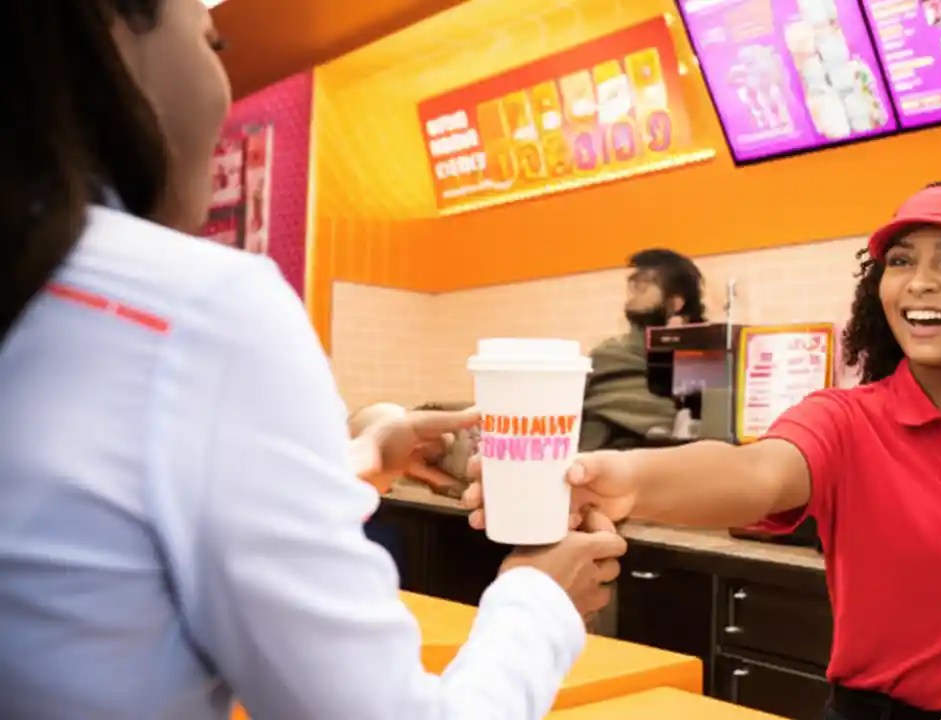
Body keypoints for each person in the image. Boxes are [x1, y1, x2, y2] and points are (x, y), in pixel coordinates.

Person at [0, 3, 624, 719]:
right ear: (110, 29)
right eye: (213, 43)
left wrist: (358, 460)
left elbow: (103, 535)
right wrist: (540, 597)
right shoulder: (202, 310)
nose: (225, 85)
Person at [469, 183, 941, 720]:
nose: (920, 281)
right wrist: (617, 477)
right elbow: (755, 472)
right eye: (900, 261)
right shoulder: (845, 421)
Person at [580, 248, 707, 451]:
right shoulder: (608, 353)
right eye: (632, 284)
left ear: (675, 303)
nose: (633, 292)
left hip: (657, 451)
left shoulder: (704, 354)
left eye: (643, 284)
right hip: (596, 449)